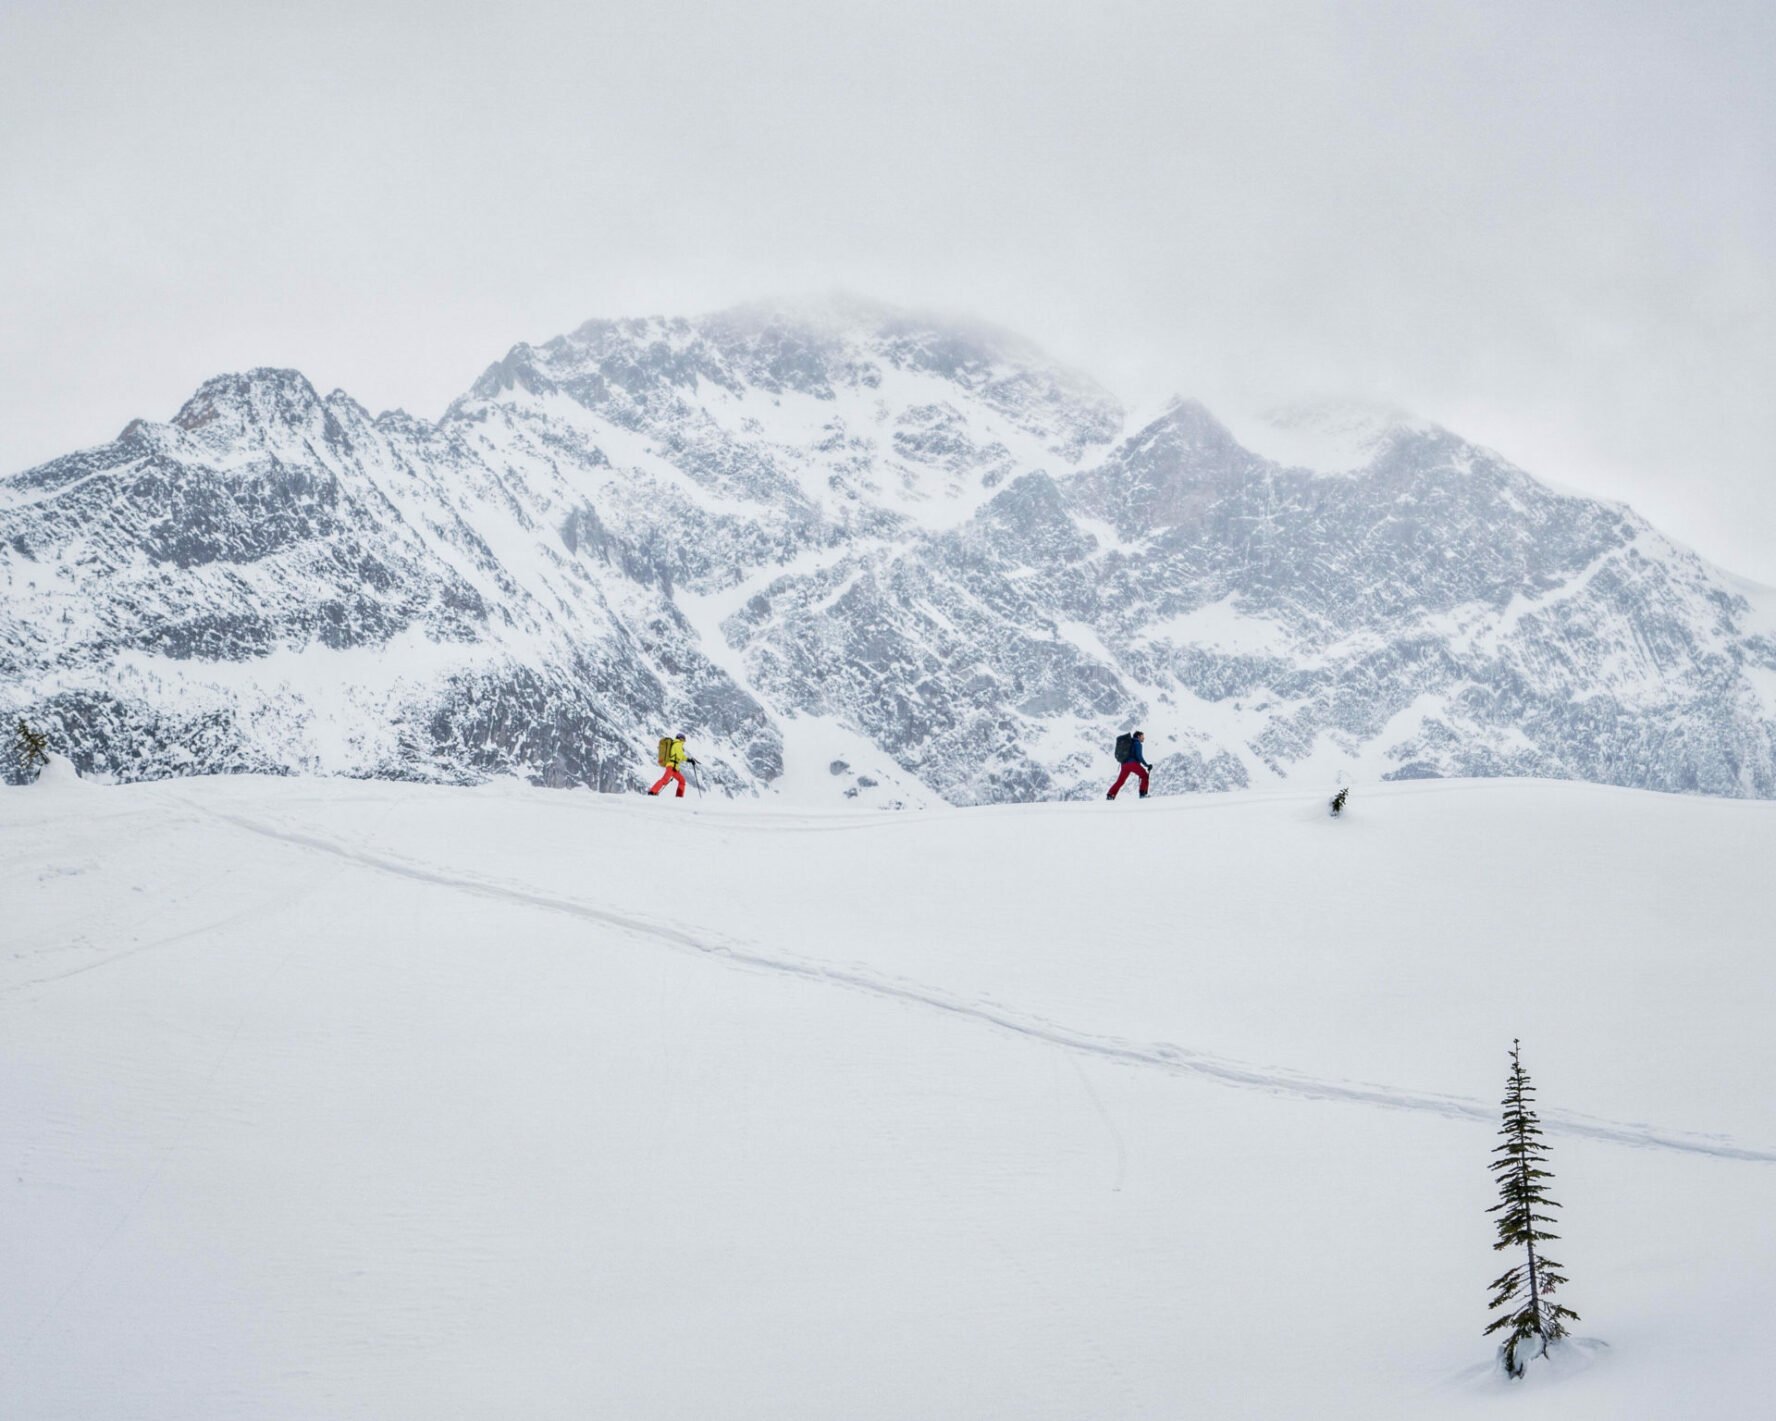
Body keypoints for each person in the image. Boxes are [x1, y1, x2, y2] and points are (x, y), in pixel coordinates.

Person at [648, 733, 698, 798]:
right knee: (665, 780)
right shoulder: (678, 744)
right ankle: (652, 791)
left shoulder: (676, 744)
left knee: (682, 781)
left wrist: (689, 760)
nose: (684, 741)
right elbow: (680, 756)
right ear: (680, 738)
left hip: (674, 768)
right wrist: (689, 760)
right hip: (671, 767)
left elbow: (679, 756)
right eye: (683, 739)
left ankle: (679, 797)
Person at [1106, 730, 1150, 799]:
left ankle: (1110, 794)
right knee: (1144, 775)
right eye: (1142, 736)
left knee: (1120, 781)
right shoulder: (1137, 743)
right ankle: (1143, 794)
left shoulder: (1130, 743)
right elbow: (1139, 756)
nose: (1143, 738)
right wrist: (1147, 765)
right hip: (1132, 764)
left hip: (1124, 765)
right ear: (1138, 736)